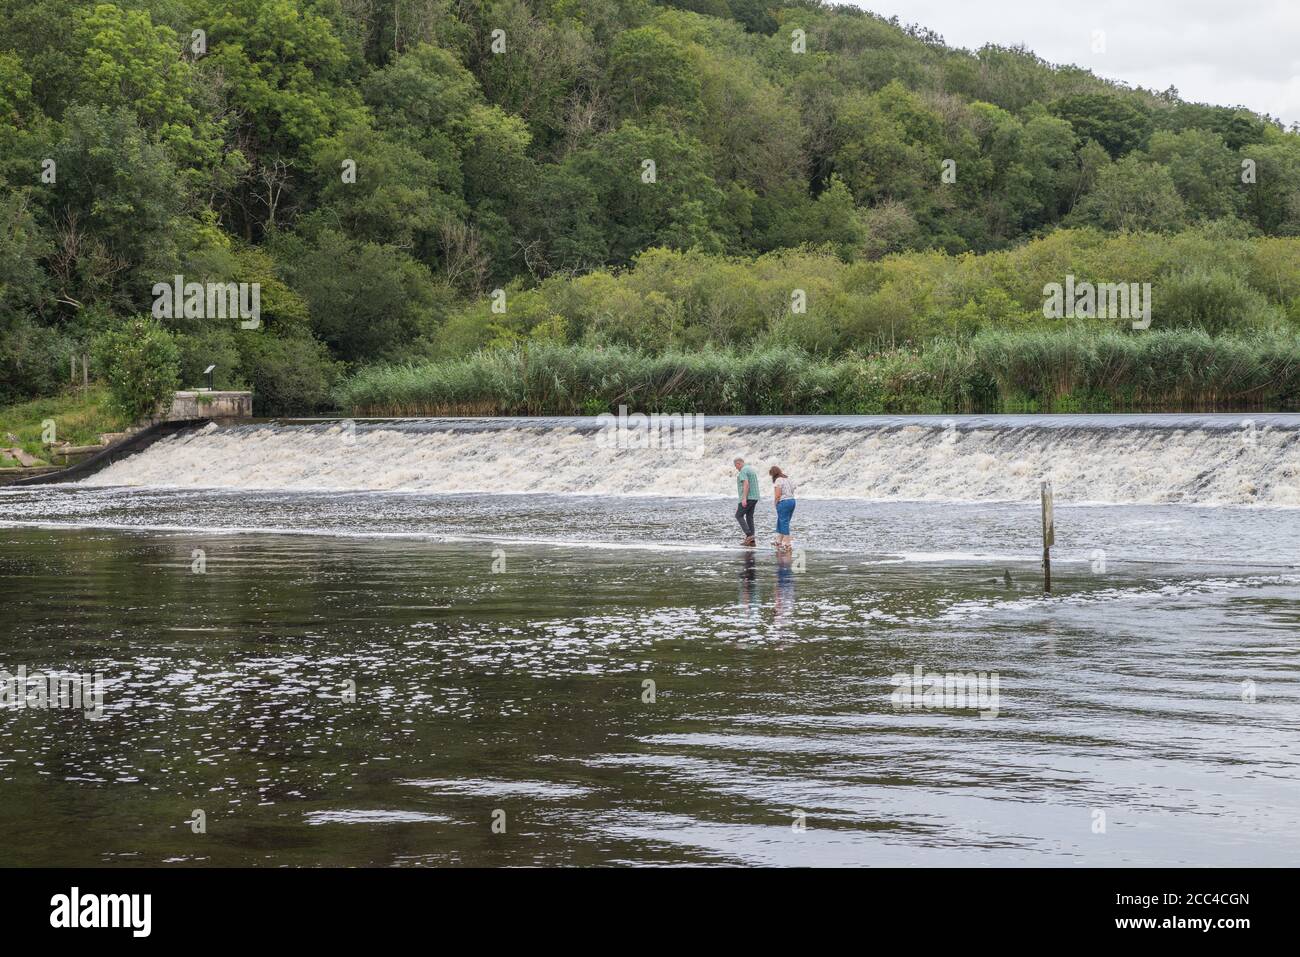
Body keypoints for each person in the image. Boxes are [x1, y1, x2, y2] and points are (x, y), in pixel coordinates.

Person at [733, 457, 760, 546]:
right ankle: (751, 541)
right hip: (755, 497)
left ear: (738, 463)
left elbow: (746, 483)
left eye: (736, 466)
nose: (736, 468)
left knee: (738, 515)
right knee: (749, 517)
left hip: (748, 497)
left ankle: (749, 535)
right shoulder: (751, 469)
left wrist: (744, 498)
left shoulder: (743, 471)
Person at [770, 465, 796, 553]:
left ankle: (788, 544)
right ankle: (778, 541)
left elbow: (778, 494)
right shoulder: (787, 479)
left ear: (773, 474)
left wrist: (775, 503)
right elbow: (793, 489)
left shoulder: (778, 480)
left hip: (783, 502)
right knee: (783, 520)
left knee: (783, 522)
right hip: (792, 501)